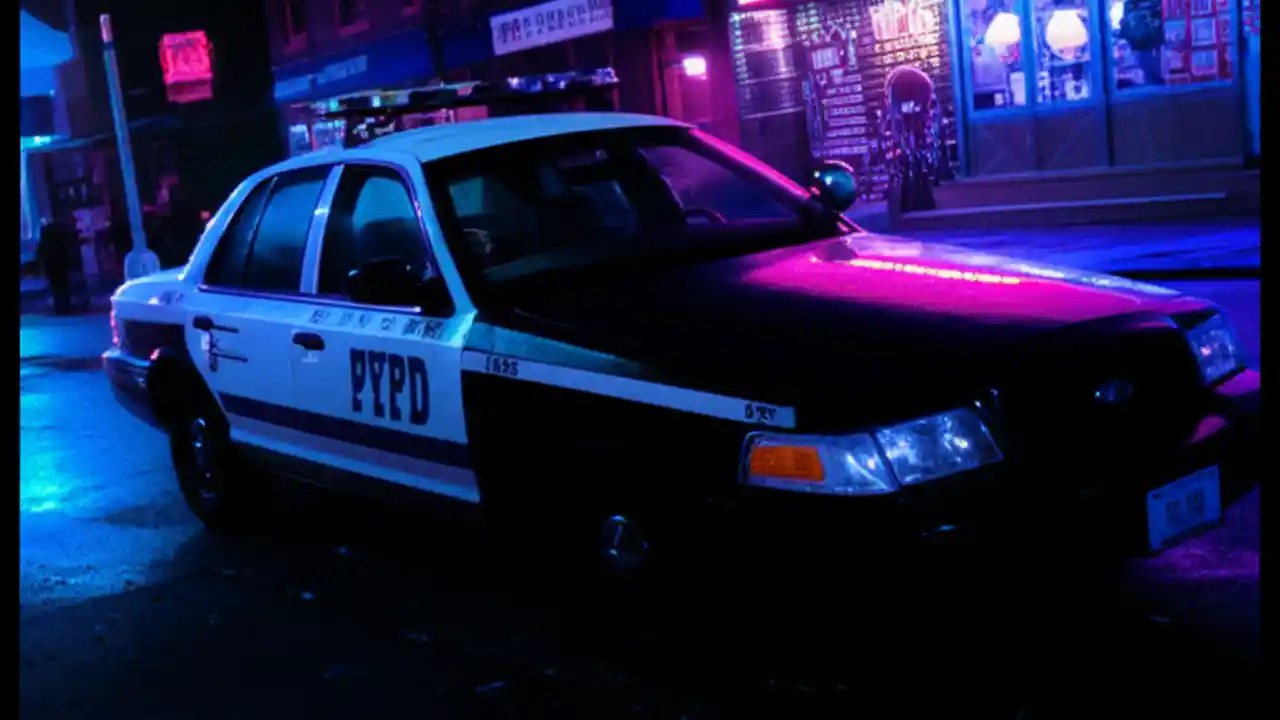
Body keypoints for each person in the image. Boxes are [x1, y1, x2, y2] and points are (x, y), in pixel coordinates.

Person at [37, 212, 75, 315]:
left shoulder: (45, 237)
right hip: (61, 264)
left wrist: (42, 266)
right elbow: (66, 249)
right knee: (63, 285)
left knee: (55, 287)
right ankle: (65, 306)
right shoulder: (60, 235)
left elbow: (41, 252)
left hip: (51, 265)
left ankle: (59, 307)